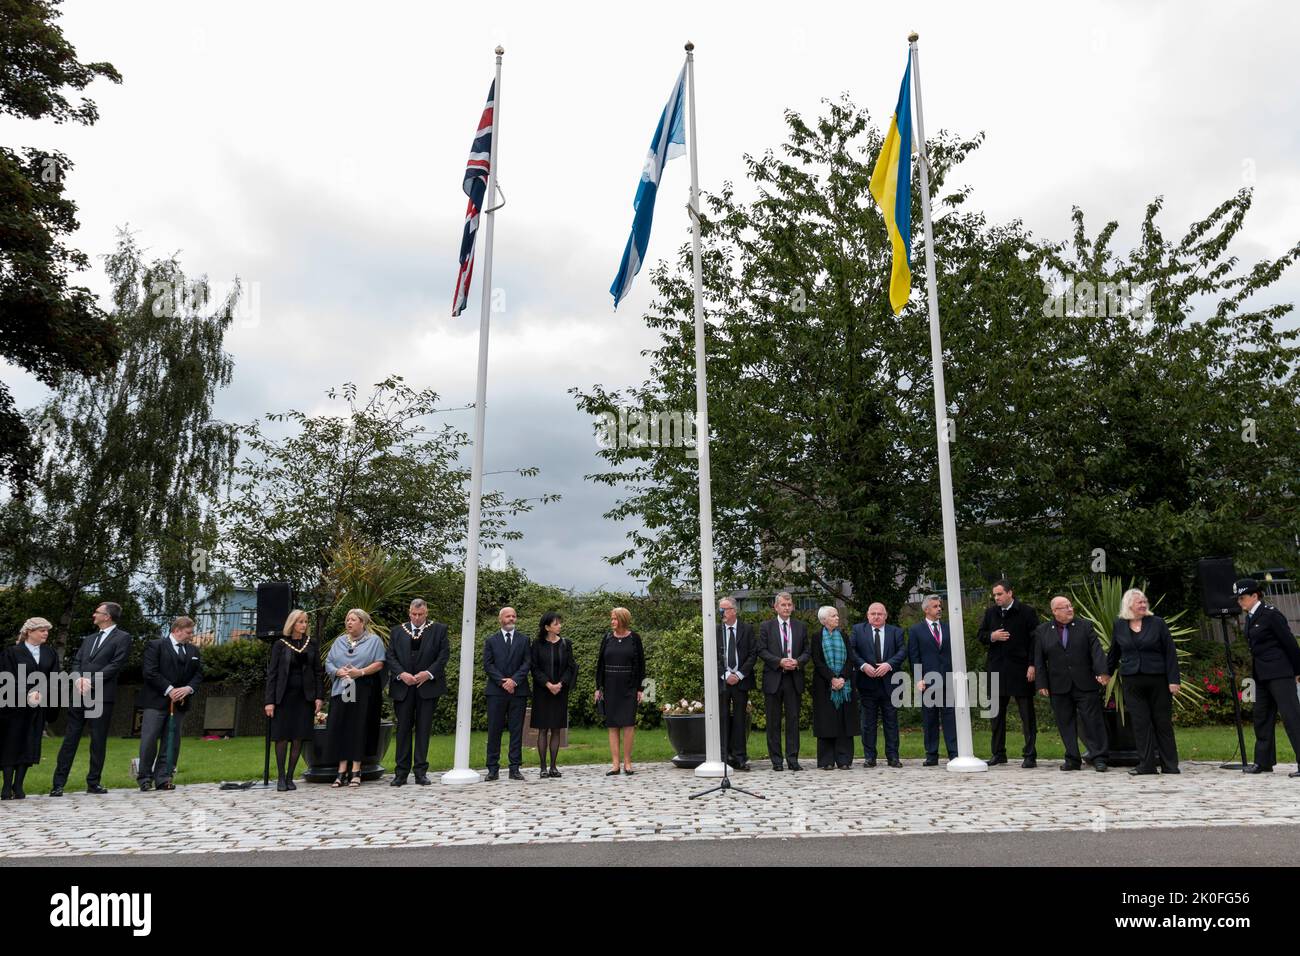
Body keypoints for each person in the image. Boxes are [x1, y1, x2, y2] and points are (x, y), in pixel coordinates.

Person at [50, 602, 132, 796]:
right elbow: (77, 661)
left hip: (101, 696)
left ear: (108, 617)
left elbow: (116, 664)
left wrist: (92, 681)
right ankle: (58, 783)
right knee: (70, 739)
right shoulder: (89, 639)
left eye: (97, 612)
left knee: (97, 741)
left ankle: (93, 782)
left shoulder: (123, 638)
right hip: (79, 694)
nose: (93, 615)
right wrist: (78, 680)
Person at [1107, 588, 1181, 776]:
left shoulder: (1157, 623)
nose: (1143, 604)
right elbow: (1114, 651)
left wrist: (1174, 680)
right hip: (1132, 680)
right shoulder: (1120, 625)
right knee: (1140, 723)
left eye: (1144, 601)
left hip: (1158, 680)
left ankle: (1170, 765)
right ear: (1129, 604)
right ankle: (1146, 764)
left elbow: (1170, 652)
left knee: (1162, 722)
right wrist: (1105, 673)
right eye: (1139, 602)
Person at [1033, 596, 1109, 772]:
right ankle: (1072, 758)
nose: (1070, 609)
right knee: (1064, 722)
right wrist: (1041, 683)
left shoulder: (1085, 626)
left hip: (1085, 683)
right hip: (1058, 685)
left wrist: (1102, 672)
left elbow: (1096, 651)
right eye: (1064, 607)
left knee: (1092, 721)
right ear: (1054, 611)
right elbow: (1039, 659)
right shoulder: (1043, 631)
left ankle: (1099, 758)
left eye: (1070, 605)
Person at [1235, 579, 1300, 777]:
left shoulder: (1271, 614)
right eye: (1238, 598)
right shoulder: (1250, 617)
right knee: (1261, 717)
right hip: (1261, 675)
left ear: (1255, 596)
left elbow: (1289, 642)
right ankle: (1263, 762)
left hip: (1280, 673)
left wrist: (1298, 670)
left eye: (1243, 598)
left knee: (1291, 718)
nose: (1240, 602)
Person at [976, 580, 1040, 768]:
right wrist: (991, 636)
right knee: (996, 715)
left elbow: (1035, 641)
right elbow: (980, 635)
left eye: (999, 594)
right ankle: (998, 753)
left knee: (1027, 715)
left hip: (1021, 670)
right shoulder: (990, 613)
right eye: (994, 595)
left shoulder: (1027, 612)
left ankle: (1030, 755)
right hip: (996, 670)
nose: (996, 598)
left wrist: (1032, 665)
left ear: (1010, 593)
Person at [386, 598, 450, 786]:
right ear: (409, 612)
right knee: (403, 729)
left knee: (423, 729)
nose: (417, 618)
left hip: (427, 687)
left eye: (420, 615)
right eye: (414, 614)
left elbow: (443, 655)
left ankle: (421, 771)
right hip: (403, 687)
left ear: (426, 612)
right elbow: (390, 656)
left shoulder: (438, 630)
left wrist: (428, 673)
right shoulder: (397, 631)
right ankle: (401, 772)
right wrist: (401, 674)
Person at [136, 616, 203, 792]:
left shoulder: (194, 651)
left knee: (172, 741)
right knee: (149, 740)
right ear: (176, 630)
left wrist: (188, 689)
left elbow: (198, 675)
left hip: (180, 703)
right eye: (188, 632)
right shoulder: (156, 646)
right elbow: (150, 672)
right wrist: (170, 689)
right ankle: (144, 777)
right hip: (156, 702)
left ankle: (164, 778)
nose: (191, 636)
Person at [324, 609, 386, 788]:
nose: (349, 623)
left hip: (363, 689)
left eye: (353, 620)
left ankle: (356, 770)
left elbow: (380, 663)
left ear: (362, 623)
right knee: (342, 726)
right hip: (342, 688)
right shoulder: (339, 642)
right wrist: (337, 671)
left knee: (358, 727)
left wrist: (360, 672)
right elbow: (329, 662)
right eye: (347, 619)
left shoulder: (373, 641)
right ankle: (341, 770)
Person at [264, 609, 323, 791]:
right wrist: (269, 701)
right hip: (283, 698)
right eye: (300, 622)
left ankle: (290, 777)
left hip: (304, 698)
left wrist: (319, 696)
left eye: (305, 622)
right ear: (292, 624)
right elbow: (272, 674)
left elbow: (318, 672)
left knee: (298, 738)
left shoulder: (311, 644)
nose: (304, 625)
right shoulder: (280, 645)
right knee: (281, 737)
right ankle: (281, 777)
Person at [0, 618, 59, 800]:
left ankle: (19, 785)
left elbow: (54, 678)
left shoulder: (50, 653)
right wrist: (25, 694)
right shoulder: (12, 652)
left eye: (47, 630)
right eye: (42, 630)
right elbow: (5, 676)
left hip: (37, 707)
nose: (45, 633)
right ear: (29, 632)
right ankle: (6, 785)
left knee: (29, 743)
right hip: (13, 707)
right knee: (11, 744)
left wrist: (44, 694)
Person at [848, 602, 906, 768]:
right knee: (868, 723)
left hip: (890, 683)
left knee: (891, 722)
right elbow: (851, 650)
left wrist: (889, 664)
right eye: (873, 613)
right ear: (867, 615)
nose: (876, 616)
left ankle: (893, 757)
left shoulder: (896, 632)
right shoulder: (858, 630)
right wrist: (863, 665)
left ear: (886, 616)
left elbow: (902, 651)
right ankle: (869, 757)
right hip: (867, 683)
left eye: (880, 613)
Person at [757, 592, 809, 771]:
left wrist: (798, 661)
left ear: (793, 606)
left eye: (789, 605)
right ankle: (777, 761)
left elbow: (807, 651)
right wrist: (779, 661)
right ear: (776, 607)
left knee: (793, 720)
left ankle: (793, 759)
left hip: (794, 678)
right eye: (783, 605)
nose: (787, 608)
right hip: (774, 678)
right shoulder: (766, 626)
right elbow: (762, 650)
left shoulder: (800, 626)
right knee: (773, 721)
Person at [595, 607, 645, 775]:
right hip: (610, 686)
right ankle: (615, 764)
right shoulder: (607, 638)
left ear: (623, 620)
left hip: (629, 686)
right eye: (612, 618)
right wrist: (598, 687)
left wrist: (641, 689)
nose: (612, 622)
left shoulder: (635, 639)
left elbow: (641, 665)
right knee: (612, 725)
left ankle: (628, 763)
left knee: (629, 724)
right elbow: (600, 664)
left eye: (615, 619)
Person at [909, 594, 958, 765]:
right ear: (926, 609)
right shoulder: (916, 630)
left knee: (950, 717)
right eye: (936, 606)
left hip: (948, 679)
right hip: (928, 681)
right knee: (929, 718)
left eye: (940, 606)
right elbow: (914, 656)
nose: (939, 609)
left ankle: (954, 753)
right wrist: (918, 678)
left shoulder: (949, 628)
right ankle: (931, 755)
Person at [483, 606, 531, 781]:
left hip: (518, 691)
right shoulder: (491, 640)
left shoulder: (524, 640)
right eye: (508, 616)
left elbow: (527, 663)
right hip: (496, 692)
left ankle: (515, 768)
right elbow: (488, 665)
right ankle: (492, 768)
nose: (511, 619)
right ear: (500, 619)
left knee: (516, 730)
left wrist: (514, 681)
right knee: (494, 730)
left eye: (514, 616)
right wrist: (503, 682)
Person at [530, 612, 576, 779]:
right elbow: (534, 667)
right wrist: (548, 684)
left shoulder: (566, 644)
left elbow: (570, 667)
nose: (559, 626)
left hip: (559, 692)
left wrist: (560, 684)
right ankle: (542, 767)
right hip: (542, 691)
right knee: (543, 729)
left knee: (556, 729)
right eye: (556, 624)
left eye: (559, 623)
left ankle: (553, 766)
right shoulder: (536, 644)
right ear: (547, 627)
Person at [810, 606, 856, 770]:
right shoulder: (816, 637)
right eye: (833, 616)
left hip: (845, 686)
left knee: (843, 722)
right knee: (826, 722)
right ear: (824, 620)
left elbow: (850, 659)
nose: (837, 618)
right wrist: (832, 678)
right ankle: (826, 760)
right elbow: (817, 660)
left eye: (837, 615)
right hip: (824, 686)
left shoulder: (844, 636)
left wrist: (842, 677)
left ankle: (844, 760)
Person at [716, 597, 757, 771]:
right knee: (722, 718)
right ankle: (724, 757)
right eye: (720, 609)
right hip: (723, 682)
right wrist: (726, 675)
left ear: (734, 610)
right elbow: (712, 655)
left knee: (740, 719)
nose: (722, 613)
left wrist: (739, 674)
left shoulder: (747, 629)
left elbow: (753, 654)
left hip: (741, 681)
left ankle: (740, 757)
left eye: (724, 609)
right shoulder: (716, 631)